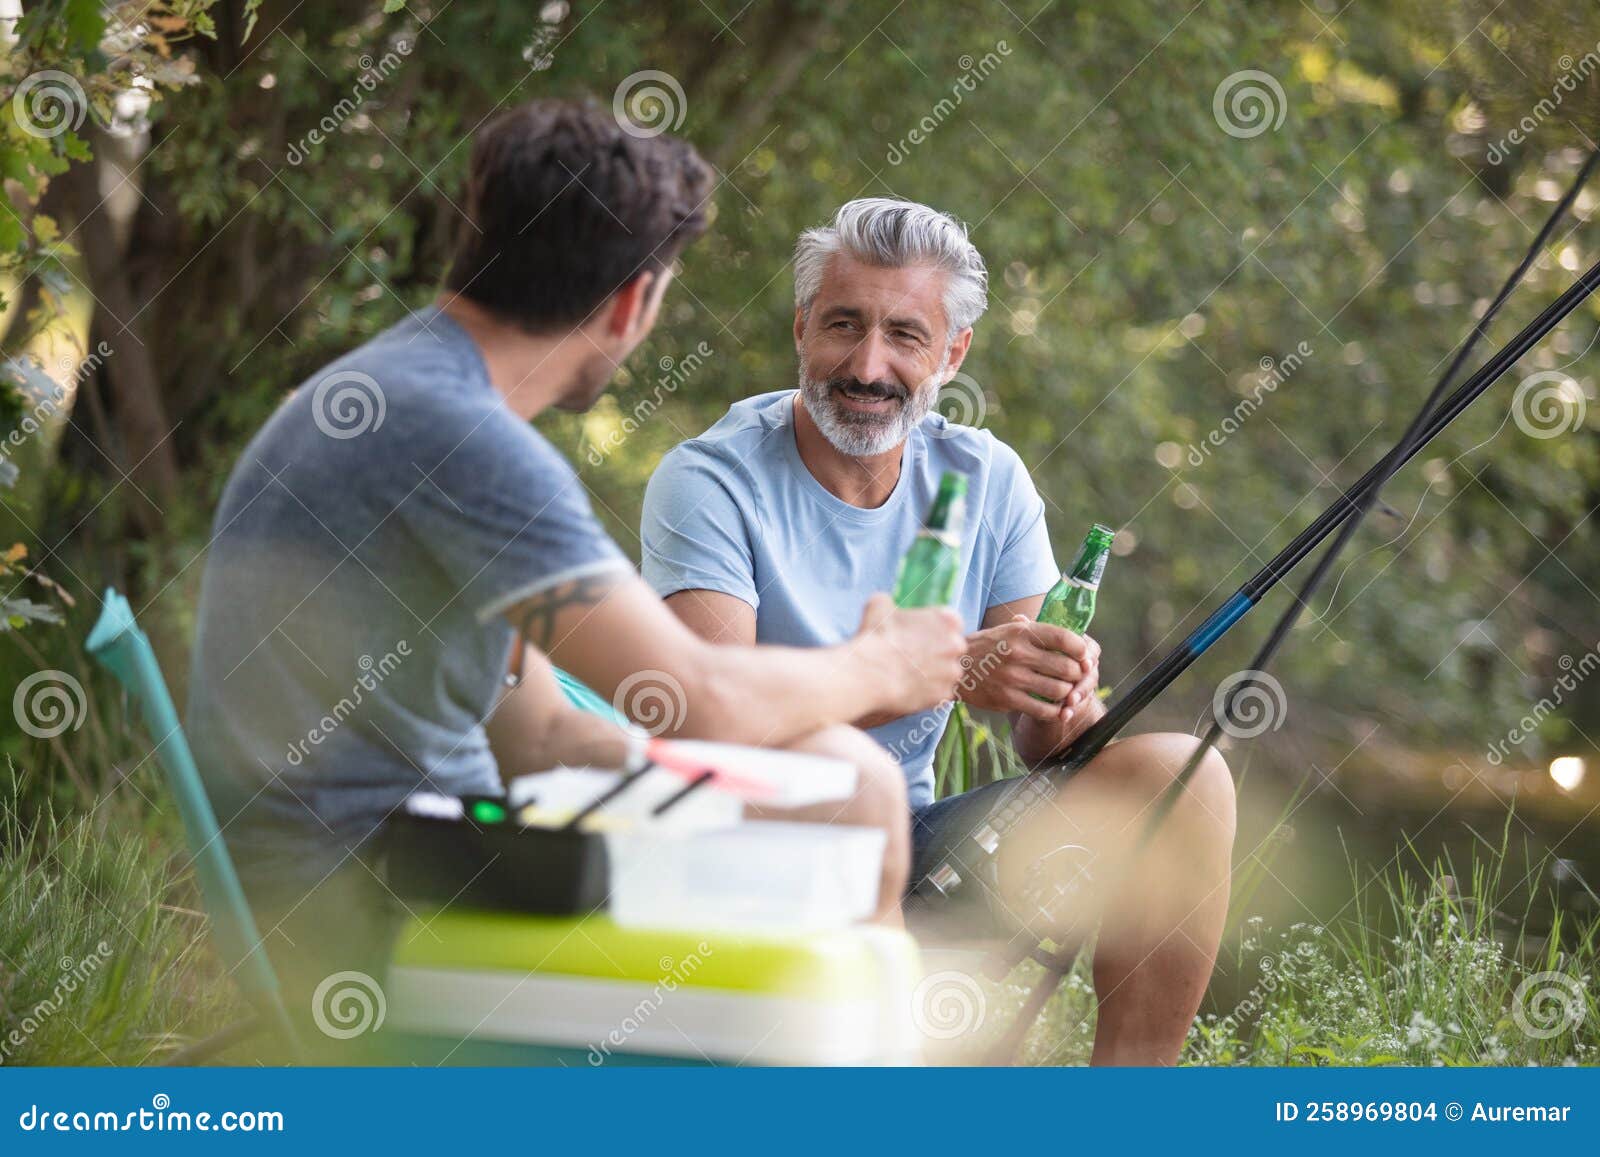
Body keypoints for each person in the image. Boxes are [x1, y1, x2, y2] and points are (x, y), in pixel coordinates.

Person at [185, 104, 966, 1019]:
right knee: (849, 816)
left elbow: (543, 733)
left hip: (394, 861)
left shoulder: (402, 391)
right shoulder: (463, 441)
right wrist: (882, 664)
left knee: (852, 785)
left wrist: (726, 789)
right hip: (371, 904)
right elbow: (699, 699)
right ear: (634, 300)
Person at [639, 197, 1237, 1065]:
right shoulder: (708, 482)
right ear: (802, 327)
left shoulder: (986, 477)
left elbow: (1046, 743)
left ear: (952, 353)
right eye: (843, 324)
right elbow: (718, 722)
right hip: (746, 861)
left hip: (914, 846)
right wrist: (950, 668)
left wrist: (1059, 693)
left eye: (906, 335)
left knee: (1188, 776)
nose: (868, 364)